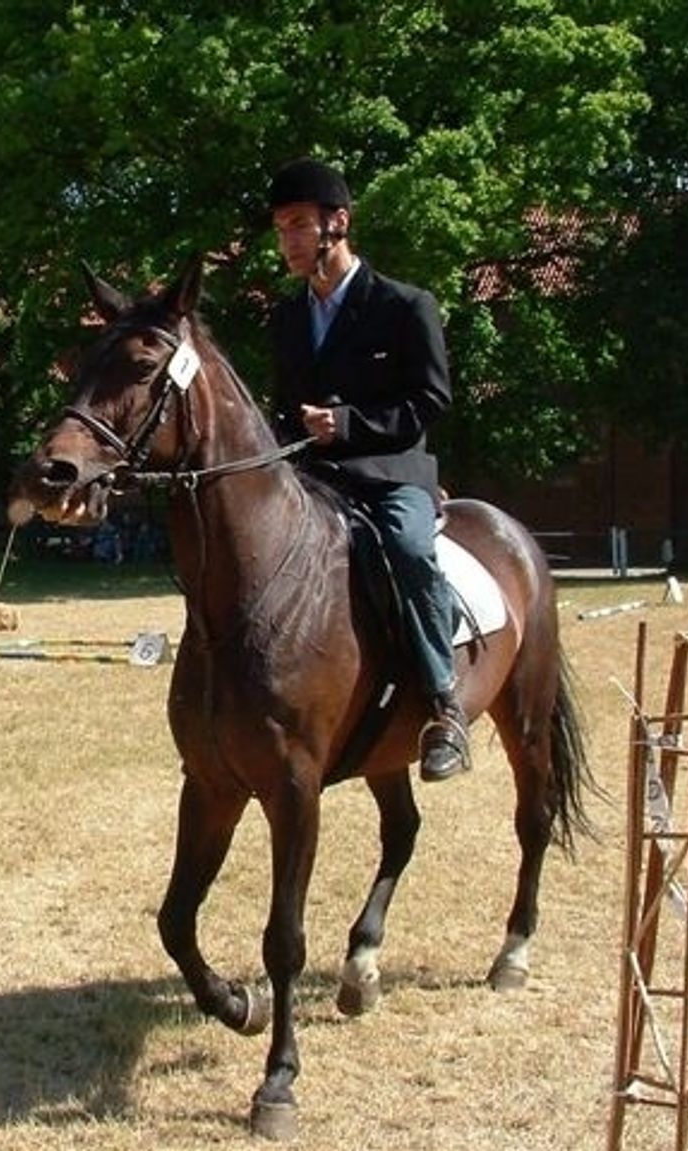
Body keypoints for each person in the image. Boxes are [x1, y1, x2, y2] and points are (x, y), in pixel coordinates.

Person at [265, 156, 470, 782]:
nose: (288, 241)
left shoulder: (406, 306)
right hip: (313, 478)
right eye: (280, 229)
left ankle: (444, 705)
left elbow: (431, 399)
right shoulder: (286, 318)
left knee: (408, 549)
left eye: (299, 224)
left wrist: (350, 424)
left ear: (338, 224)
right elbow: (279, 409)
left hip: (389, 471)